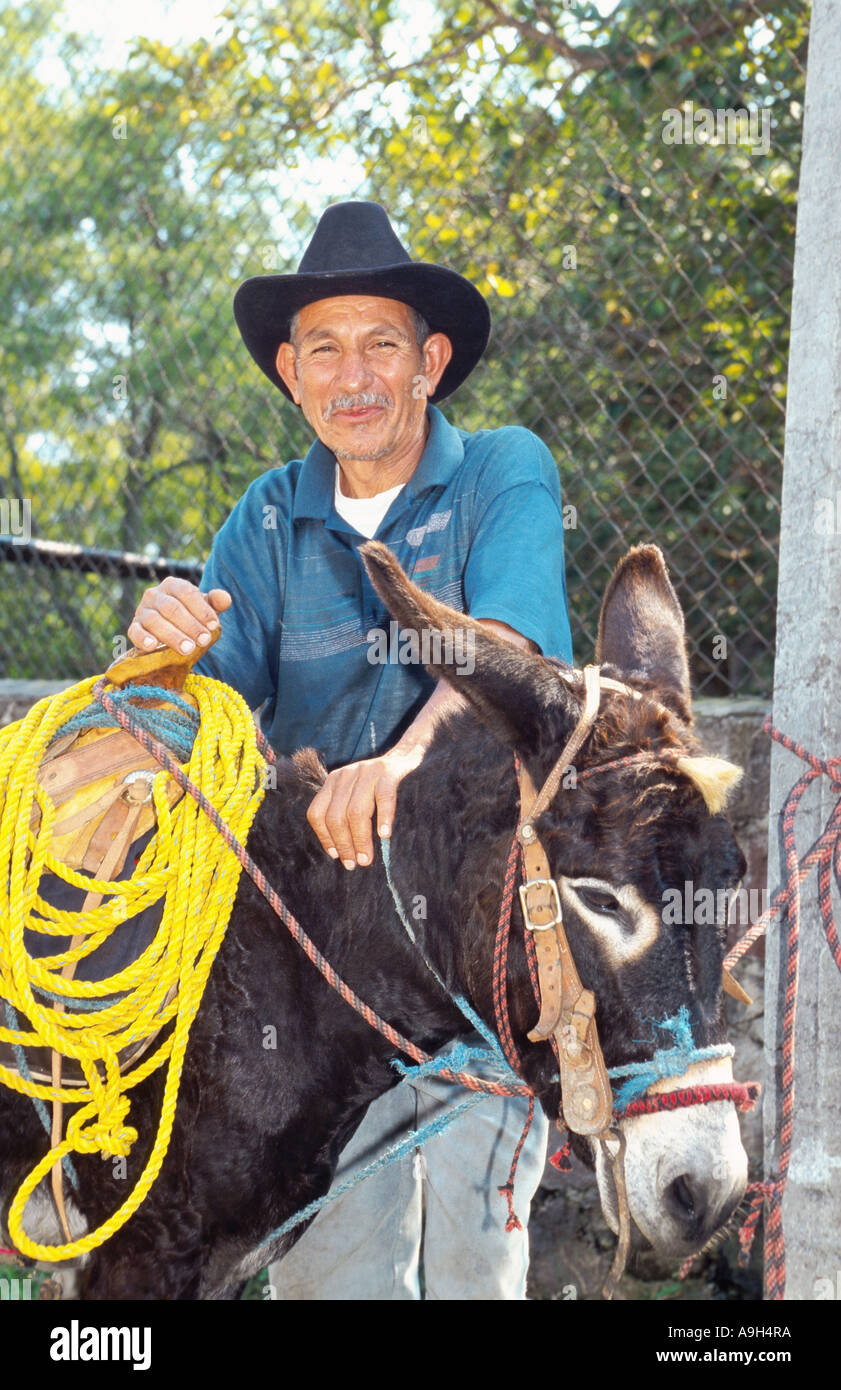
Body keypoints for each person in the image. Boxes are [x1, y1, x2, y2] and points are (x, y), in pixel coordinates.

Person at [127, 200, 574, 1300]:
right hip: (323, 972)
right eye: (322, 347)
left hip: (475, 948)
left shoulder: (501, 473)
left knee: (478, 1261)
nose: (353, 373)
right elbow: (202, 726)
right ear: (290, 372)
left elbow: (510, 650)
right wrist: (158, 657)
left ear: (429, 362)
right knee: (336, 1268)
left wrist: (403, 766)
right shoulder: (267, 519)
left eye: (381, 342)